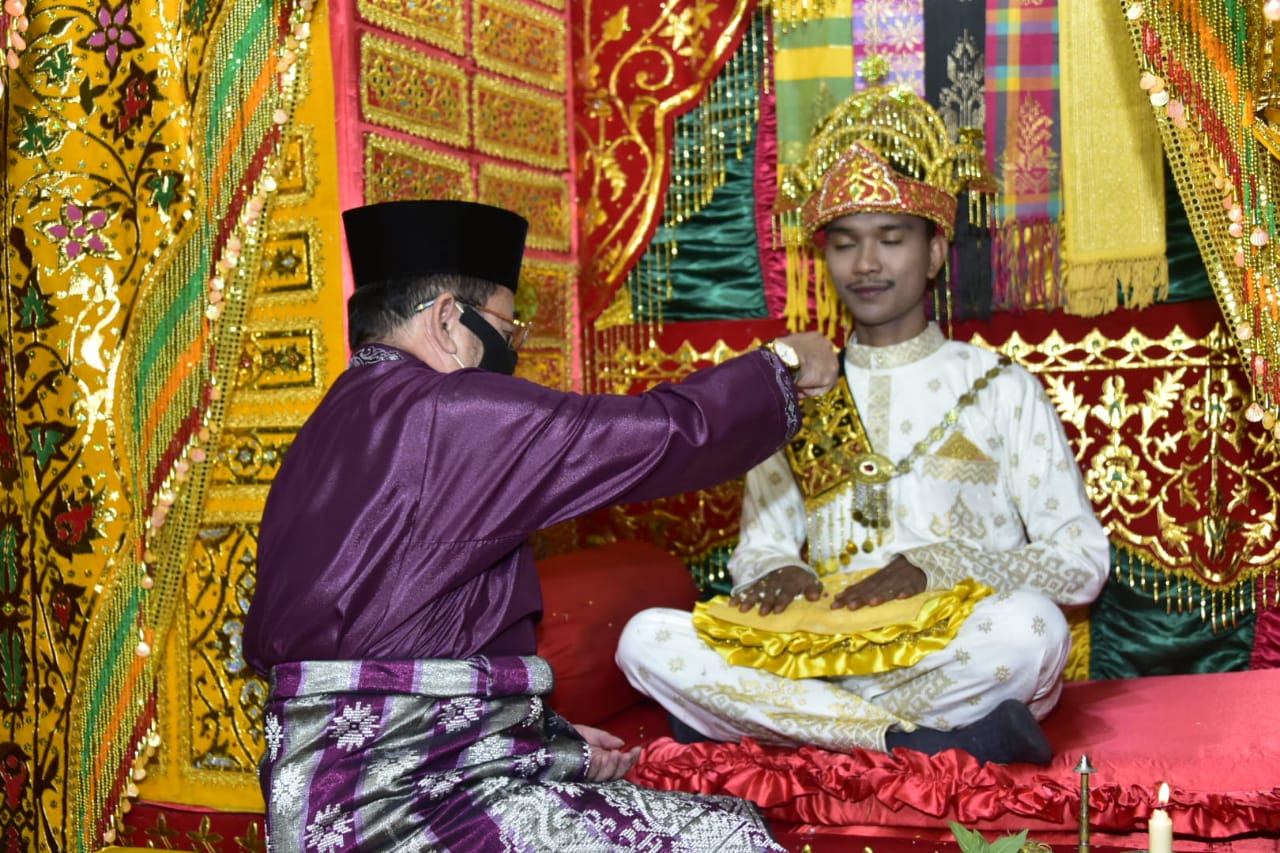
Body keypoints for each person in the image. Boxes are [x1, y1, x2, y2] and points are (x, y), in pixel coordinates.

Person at [242, 198, 839, 851]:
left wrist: (545, 743)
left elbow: (401, 645)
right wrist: (779, 367)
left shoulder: (321, 430)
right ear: (448, 319)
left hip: (322, 800)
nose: (512, 350)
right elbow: (659, 435)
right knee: (726, 836)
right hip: (402, 810)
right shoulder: (454, 410)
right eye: (506, 327)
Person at [615, 84, 1110, 767]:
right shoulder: (796, 391)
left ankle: (784, 723)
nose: (867, 265)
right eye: (845, 244)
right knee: (643, 639)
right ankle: (921, 742)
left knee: (1033, 631)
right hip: (816, 646)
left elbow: (1081, 563)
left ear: (935, 251)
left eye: (890, 239)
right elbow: (758, 550)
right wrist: (782, 568)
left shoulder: (1001, 388)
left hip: (950, 646)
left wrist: (938, 565)